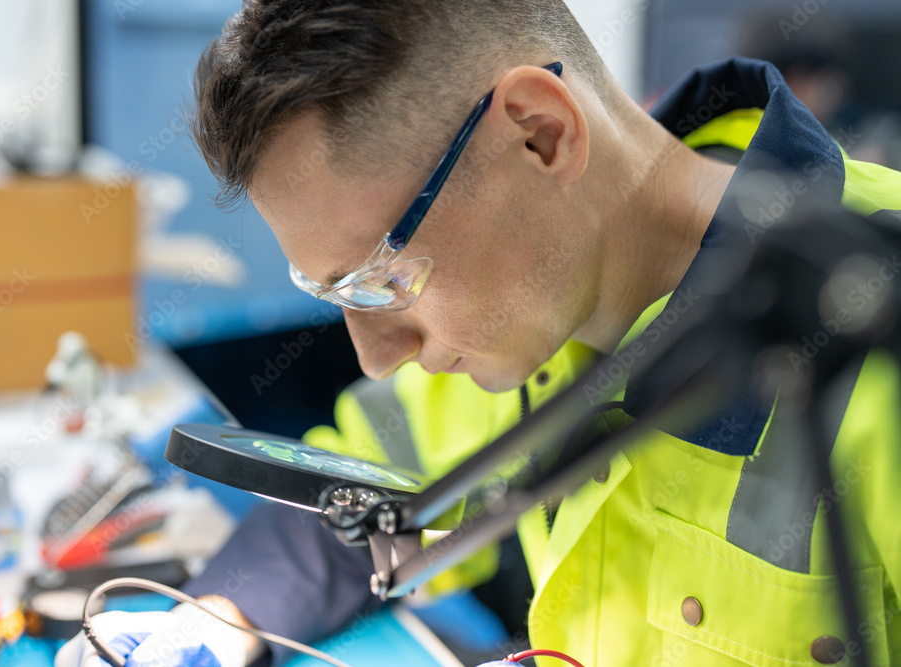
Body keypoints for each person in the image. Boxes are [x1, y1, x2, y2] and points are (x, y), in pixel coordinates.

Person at [59, 1, 901, 665]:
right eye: (330, 292)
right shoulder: (538, 298)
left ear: (540, 135)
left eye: (381, 280)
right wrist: (219, 616)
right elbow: (352, 499)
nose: (377, 355)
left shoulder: (864, 331)